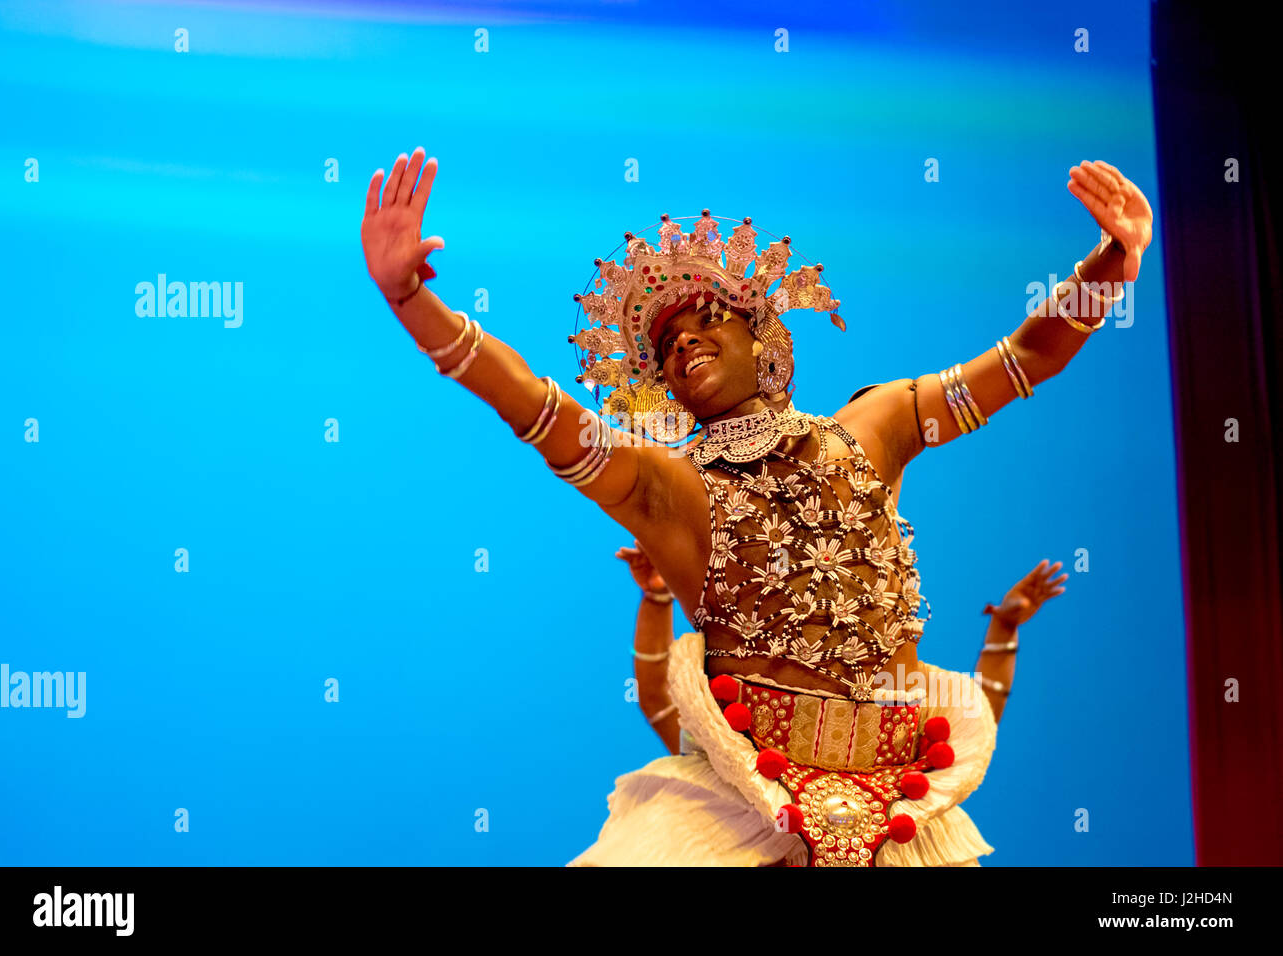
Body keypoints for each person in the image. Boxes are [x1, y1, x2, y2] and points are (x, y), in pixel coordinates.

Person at [360, 149, 1153, 866]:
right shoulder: (665, 490)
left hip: (904, 808)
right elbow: (535, 406)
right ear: (661, 386)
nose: (684, 343)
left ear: (762, 337)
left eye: (706, 320)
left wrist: (1111, 264)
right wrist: (412, 302)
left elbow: (1021, 361)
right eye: (666, 346)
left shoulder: (875, 425)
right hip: (743, 818)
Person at [621, 541, 1068, 748]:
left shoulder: (900, 759)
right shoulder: (733, 748)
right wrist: (658, 595)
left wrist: (1005, 629)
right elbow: (660, 700)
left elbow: (979, 719)